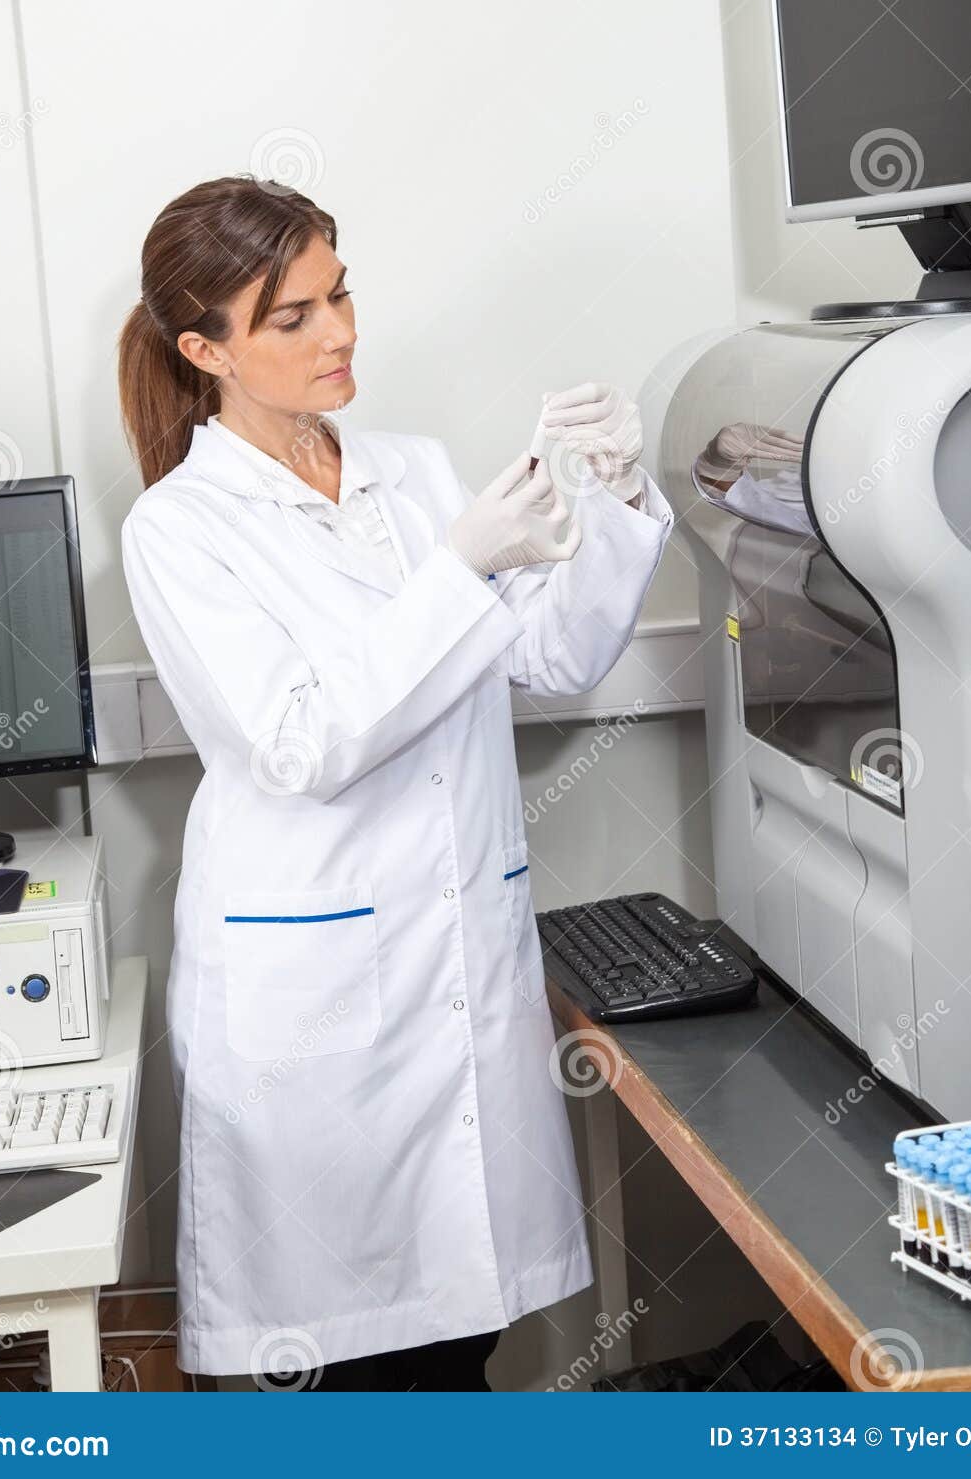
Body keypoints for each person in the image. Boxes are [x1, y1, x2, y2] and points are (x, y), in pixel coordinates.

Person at [117, 174, 674, 1390]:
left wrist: (612, 494)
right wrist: (465, 570)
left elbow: (552, 653)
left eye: (341, 292)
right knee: (340, 1382)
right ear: (206, 347)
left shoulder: (413, 474)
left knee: (462, 1345)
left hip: (460, 984)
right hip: (309, 1020)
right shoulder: (180, 528)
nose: (341, 333)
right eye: (293, 317)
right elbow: (300, 743)